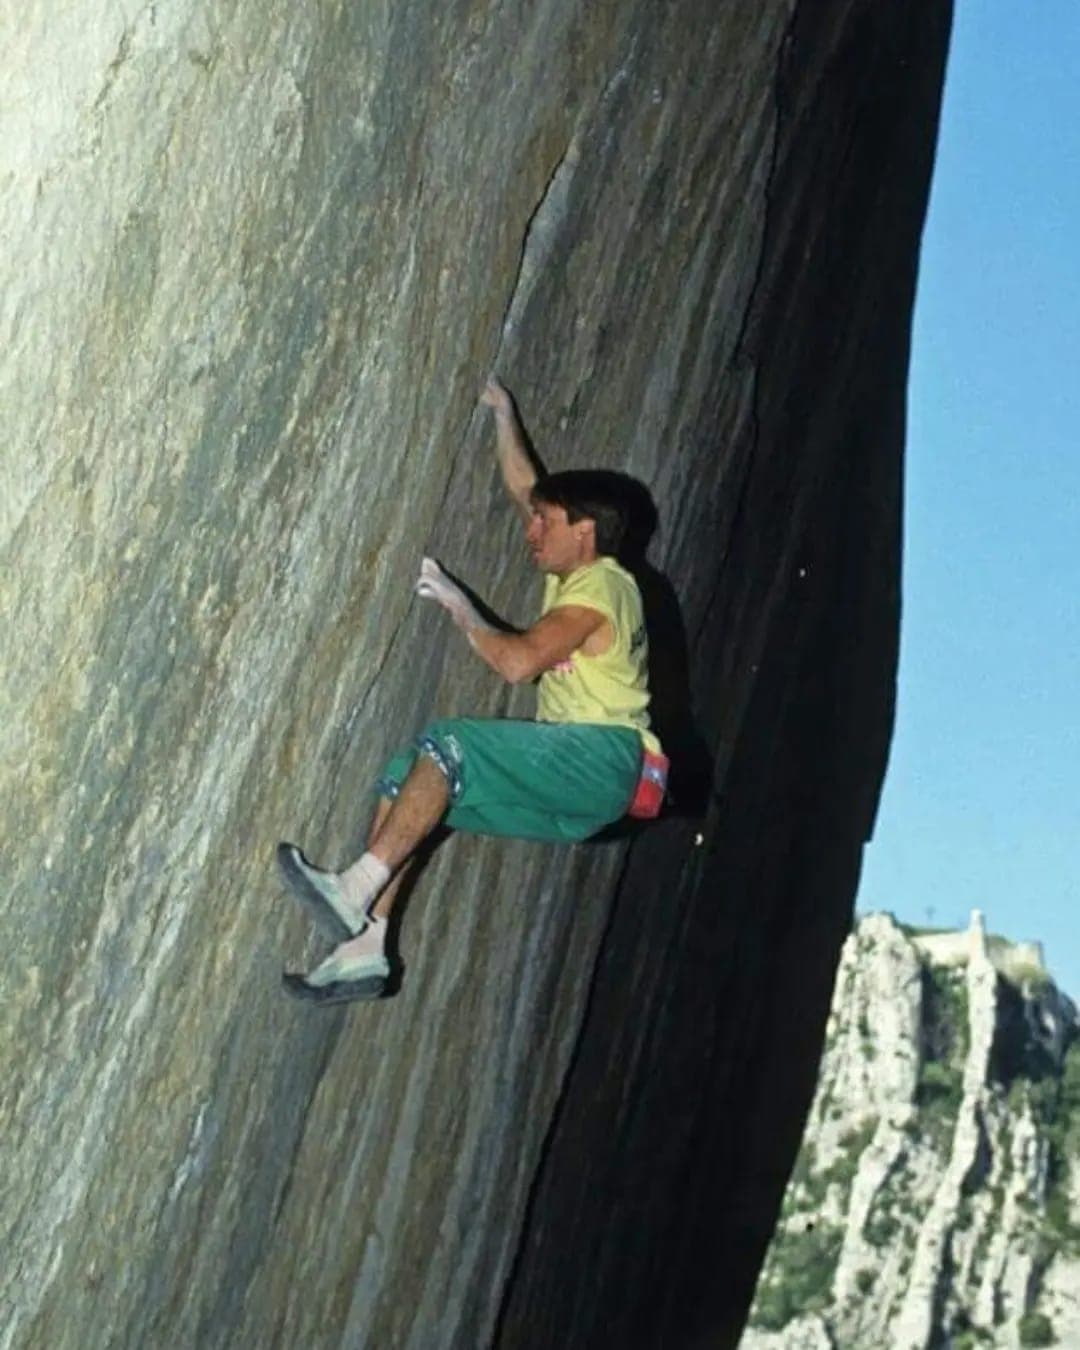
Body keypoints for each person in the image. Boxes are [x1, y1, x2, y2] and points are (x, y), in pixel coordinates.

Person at [278, 376, 664, 1004]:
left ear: (585, 531)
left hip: (605, 762)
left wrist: (460, 607)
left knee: (451, 745)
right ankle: (367, 946)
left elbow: (517, 664)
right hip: (585, 800)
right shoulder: (579, 573)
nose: (530, 530)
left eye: (545, 523)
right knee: (413, 780)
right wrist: (503, 412)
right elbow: (525, 487)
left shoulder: (603, 586)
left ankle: (353, 892)